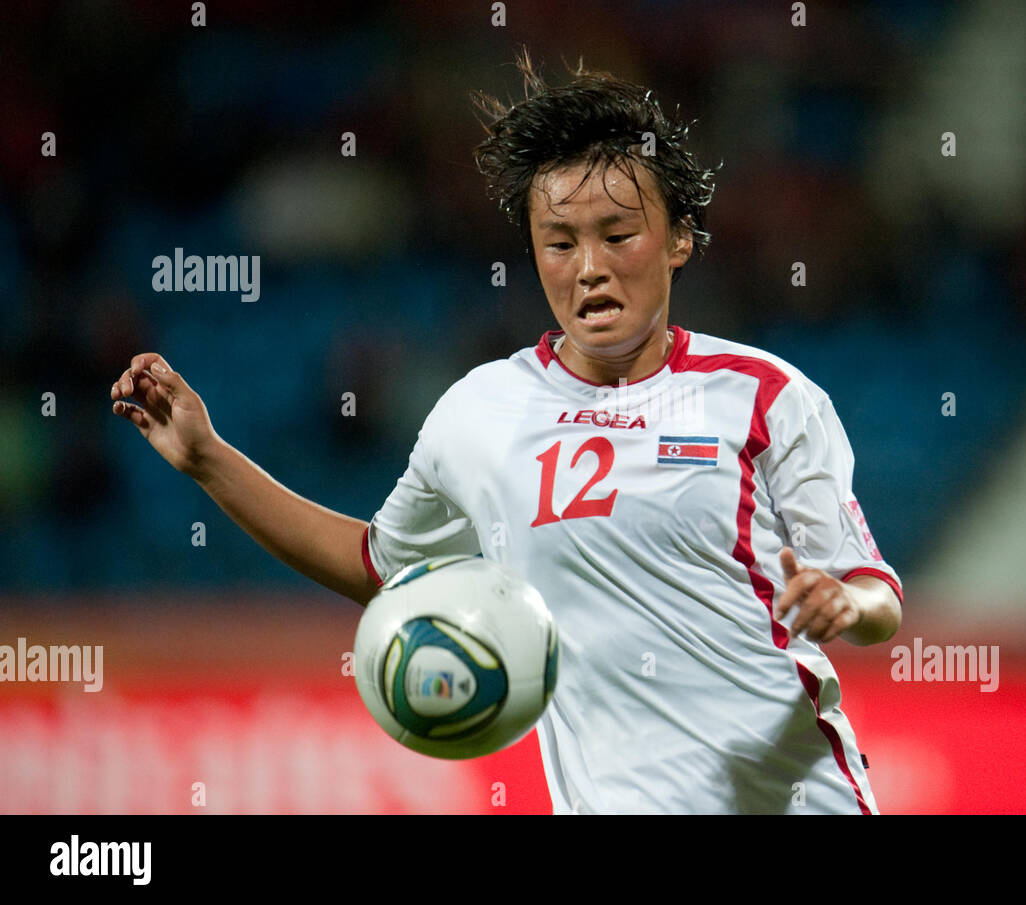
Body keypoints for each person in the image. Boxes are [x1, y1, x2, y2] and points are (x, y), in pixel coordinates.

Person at [110, 53, 903, 815]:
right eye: (560, 242)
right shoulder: (480, 411)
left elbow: (874, 592)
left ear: (681, 239)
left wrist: (843, 602)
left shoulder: (765, 396)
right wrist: (210, 461)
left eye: (618, 234)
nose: (588, 266)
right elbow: (380, 566)